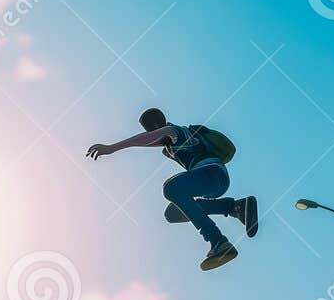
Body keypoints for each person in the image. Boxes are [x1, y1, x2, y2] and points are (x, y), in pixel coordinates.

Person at [86, 108, 258, 271]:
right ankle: (235, 207)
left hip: (212, 174)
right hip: (215, 182)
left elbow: (145, 139)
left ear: (154, 127)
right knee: (173, 213)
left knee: (171, 189)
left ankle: (218, 242)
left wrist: (111, 148)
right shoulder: (174, 142)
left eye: (150, 131)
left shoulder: (173, 131)